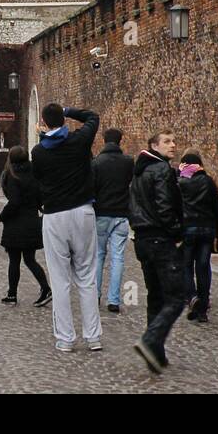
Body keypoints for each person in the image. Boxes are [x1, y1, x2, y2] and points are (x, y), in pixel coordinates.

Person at [30, 104, 102, 353]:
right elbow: (93, 116)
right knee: (87, 276)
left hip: (54, 215)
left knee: (60, 280)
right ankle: (93, 337)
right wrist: (68, 109)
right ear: (63, 120)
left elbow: (37, 181)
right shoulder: (79, 140)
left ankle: (65, 338)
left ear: (44, 123)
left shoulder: (38, 152)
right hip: (82, 211)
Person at [128, 129, 187, 374]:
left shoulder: (138, 171)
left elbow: (131, 204)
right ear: (154, 145)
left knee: (156, 296)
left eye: (174, 141)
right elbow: (165, 206)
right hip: (159, 239)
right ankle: (151, 340)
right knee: (176, 297)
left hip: (142, 238)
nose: (173, 145)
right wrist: (176, 233)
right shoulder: (161, 169)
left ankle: (156, 354)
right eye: (167, 142)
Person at [0, 146, 51, 306]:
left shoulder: (12, 175)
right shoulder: (35, 173)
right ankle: (45, 288)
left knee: (14, 260)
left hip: (16, 222)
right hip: (31, 220)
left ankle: (12, 294)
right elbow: (41, 197)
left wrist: (3, 215)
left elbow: (14, 201)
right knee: (29, 259)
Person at [178, 151, 218, 323]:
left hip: (187, 229)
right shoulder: (208, 182)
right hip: (207, 230)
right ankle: (203, 309)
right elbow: (216, 209)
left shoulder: (180, 182)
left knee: (185, 266)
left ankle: (192, 297)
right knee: (203, 267)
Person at [91, 127, 133, 315]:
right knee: (118, 258)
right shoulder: (128, 162)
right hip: (121, 213)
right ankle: (114, 300)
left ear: (104, 140)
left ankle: (96, 295)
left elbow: (92, 188)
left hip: (101, 213)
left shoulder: (97, 163)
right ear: (120, 141)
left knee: (99, 256)